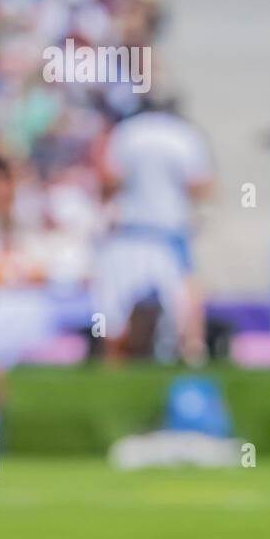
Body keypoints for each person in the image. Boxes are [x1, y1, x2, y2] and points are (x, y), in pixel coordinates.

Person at [94, 100, 212, 363]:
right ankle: (193, 358)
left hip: (129, 232)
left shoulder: (126, 132)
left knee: (116, 311)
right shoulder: (184, 134)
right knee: (185, 301)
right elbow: (200, 184)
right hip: (167, 233)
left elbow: (109, 180)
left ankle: (112, 363)